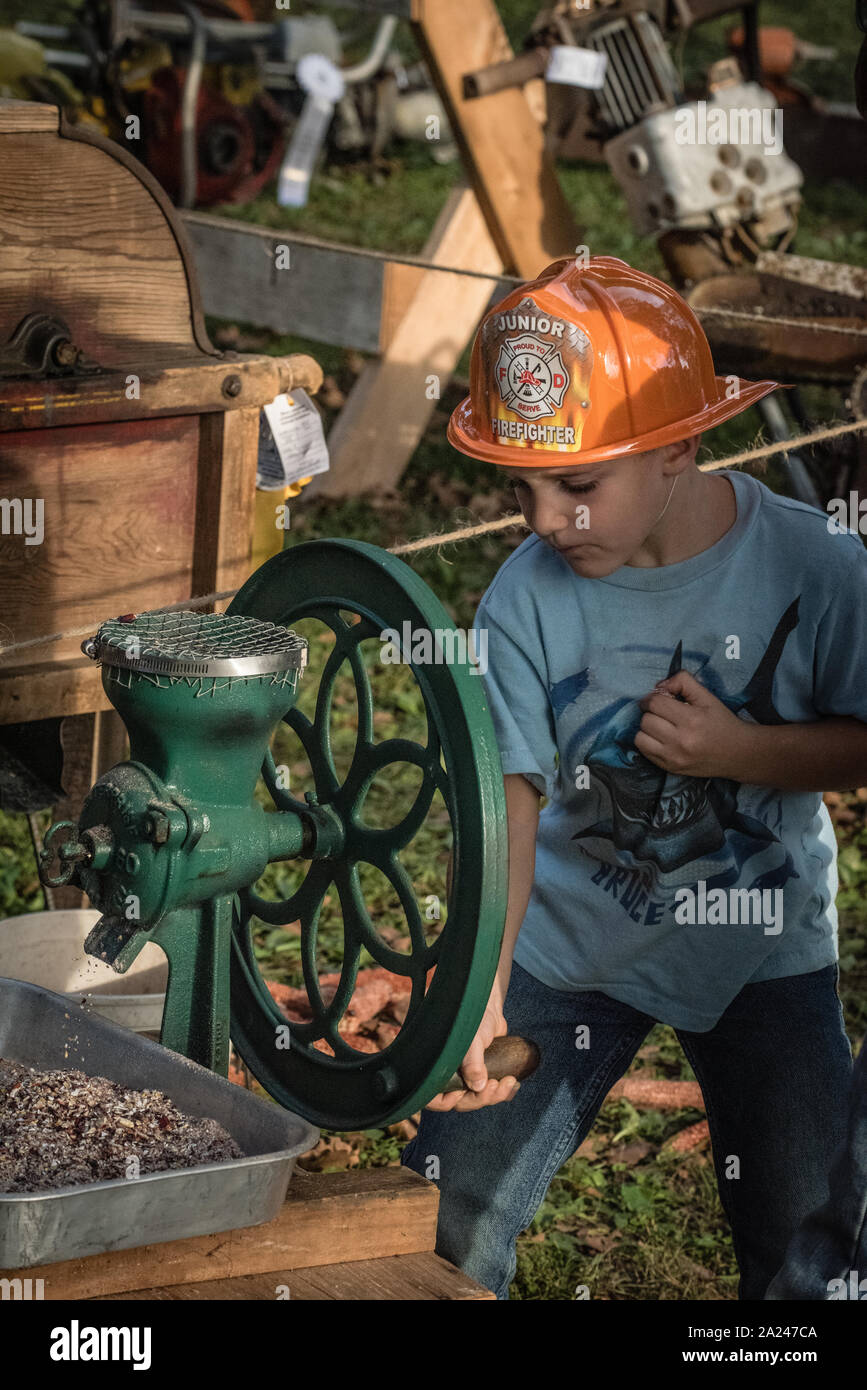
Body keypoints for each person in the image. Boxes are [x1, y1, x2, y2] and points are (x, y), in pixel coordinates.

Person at [400, 255, 867, 1300]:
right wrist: (484, 981)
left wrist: (741, 753)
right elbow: (508, 804)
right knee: (442, 1210)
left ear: (680, 448)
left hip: (761, 951)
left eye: (577, 486)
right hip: (569, 946)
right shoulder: (523, 600)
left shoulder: (816, 567)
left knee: (807, 1240)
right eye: (519, 488)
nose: (542, 522)